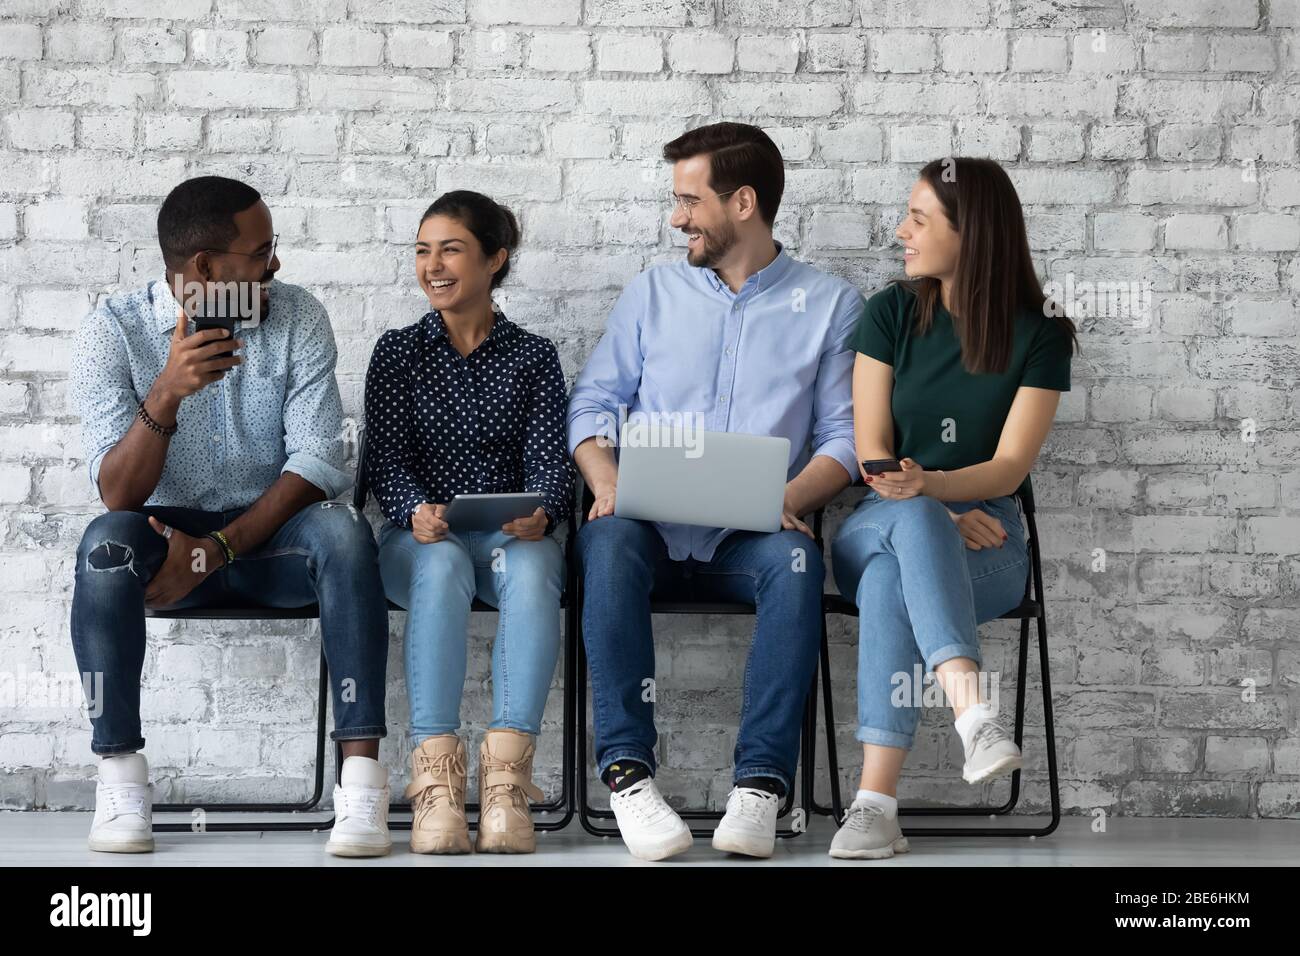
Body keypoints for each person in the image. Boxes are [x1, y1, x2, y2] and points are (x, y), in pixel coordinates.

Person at [68, 176, 391, 858]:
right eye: (262, 249)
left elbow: (319, 461)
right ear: (207, 269)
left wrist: (216, 548)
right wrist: (165, 395)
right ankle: (121, 779)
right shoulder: (112, 331)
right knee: (104, 547)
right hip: (162, 546)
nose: (276, 263)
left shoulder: (298, 315)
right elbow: (118, 496)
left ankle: (359, 787)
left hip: (269, 539)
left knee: (344, 529)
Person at [567, 123, 864, 860]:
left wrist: (793, 496)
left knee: (797, 567)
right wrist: (604, 481)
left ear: (744, 203)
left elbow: (847, 437)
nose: (677, 219)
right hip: (647, 525)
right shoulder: (653, 292)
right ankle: (629, 775)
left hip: (755, 532)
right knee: (602, 543)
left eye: (689, 201)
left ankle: (760, 787)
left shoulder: (829, 304)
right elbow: (595, 403)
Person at [828, 157, 1077, 860]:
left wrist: (937, 494)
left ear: (972, 234)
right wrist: (933, 505)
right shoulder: (891, 313)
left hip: (989, 538)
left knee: (890, 585)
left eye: (919, 218)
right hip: (880, 518)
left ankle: (875, 807)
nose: (901, 231)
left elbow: (1009, 467)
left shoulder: (1041, 334)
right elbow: (874, 453)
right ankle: (974, 712)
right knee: (907, 528)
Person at [365, 191, 574, 854]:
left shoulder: (535, 357)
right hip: (418, 543)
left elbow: (551, 465)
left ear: (494, 260)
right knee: (444, 557)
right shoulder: (398, 353)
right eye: (423, 250)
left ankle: (508, 786)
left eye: (450, 248)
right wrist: (413, 511)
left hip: (509, 542)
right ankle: (435, 786)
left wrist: (544, 512)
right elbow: (385, 462)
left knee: (538, 561)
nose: (433, 264)